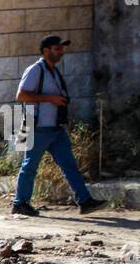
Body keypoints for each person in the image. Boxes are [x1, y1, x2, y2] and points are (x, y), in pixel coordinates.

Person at [11, 35, 106, 218]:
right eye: (57, 48)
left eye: (62, 48)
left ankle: (85, 201)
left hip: (55, 128)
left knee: (69, 165)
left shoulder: (53, 71)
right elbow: (21, 95)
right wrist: (50, 98)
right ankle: (20, 204)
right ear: (46, 51)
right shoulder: (35, 70)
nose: (61, 52)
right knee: (29, 166)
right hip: (36, 126)